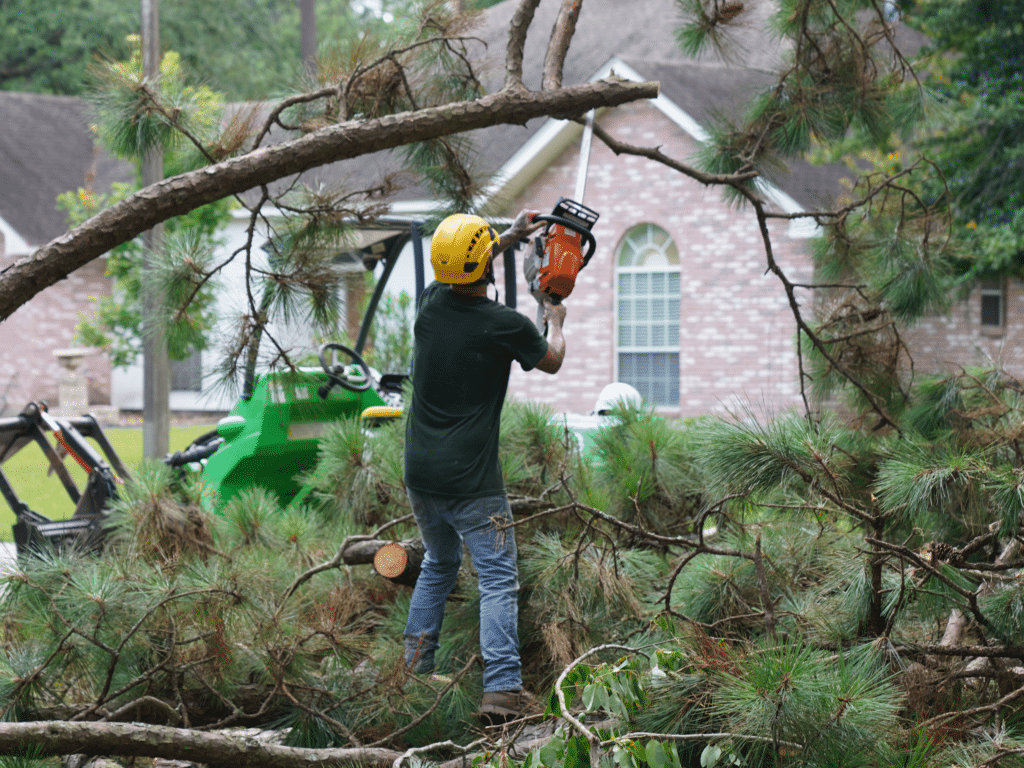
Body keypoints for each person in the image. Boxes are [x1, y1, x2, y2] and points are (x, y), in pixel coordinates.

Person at [402, 209, 567, 723]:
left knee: (437, 563)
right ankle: (502, 690)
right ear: (484, 267)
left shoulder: (430, 305)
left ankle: (412, 671)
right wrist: (555, 318)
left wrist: (510, 236)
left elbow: (462, 268)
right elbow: (553, 359)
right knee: (497, 580)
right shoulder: (504, 324)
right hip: (472, 482)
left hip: (420, 476)